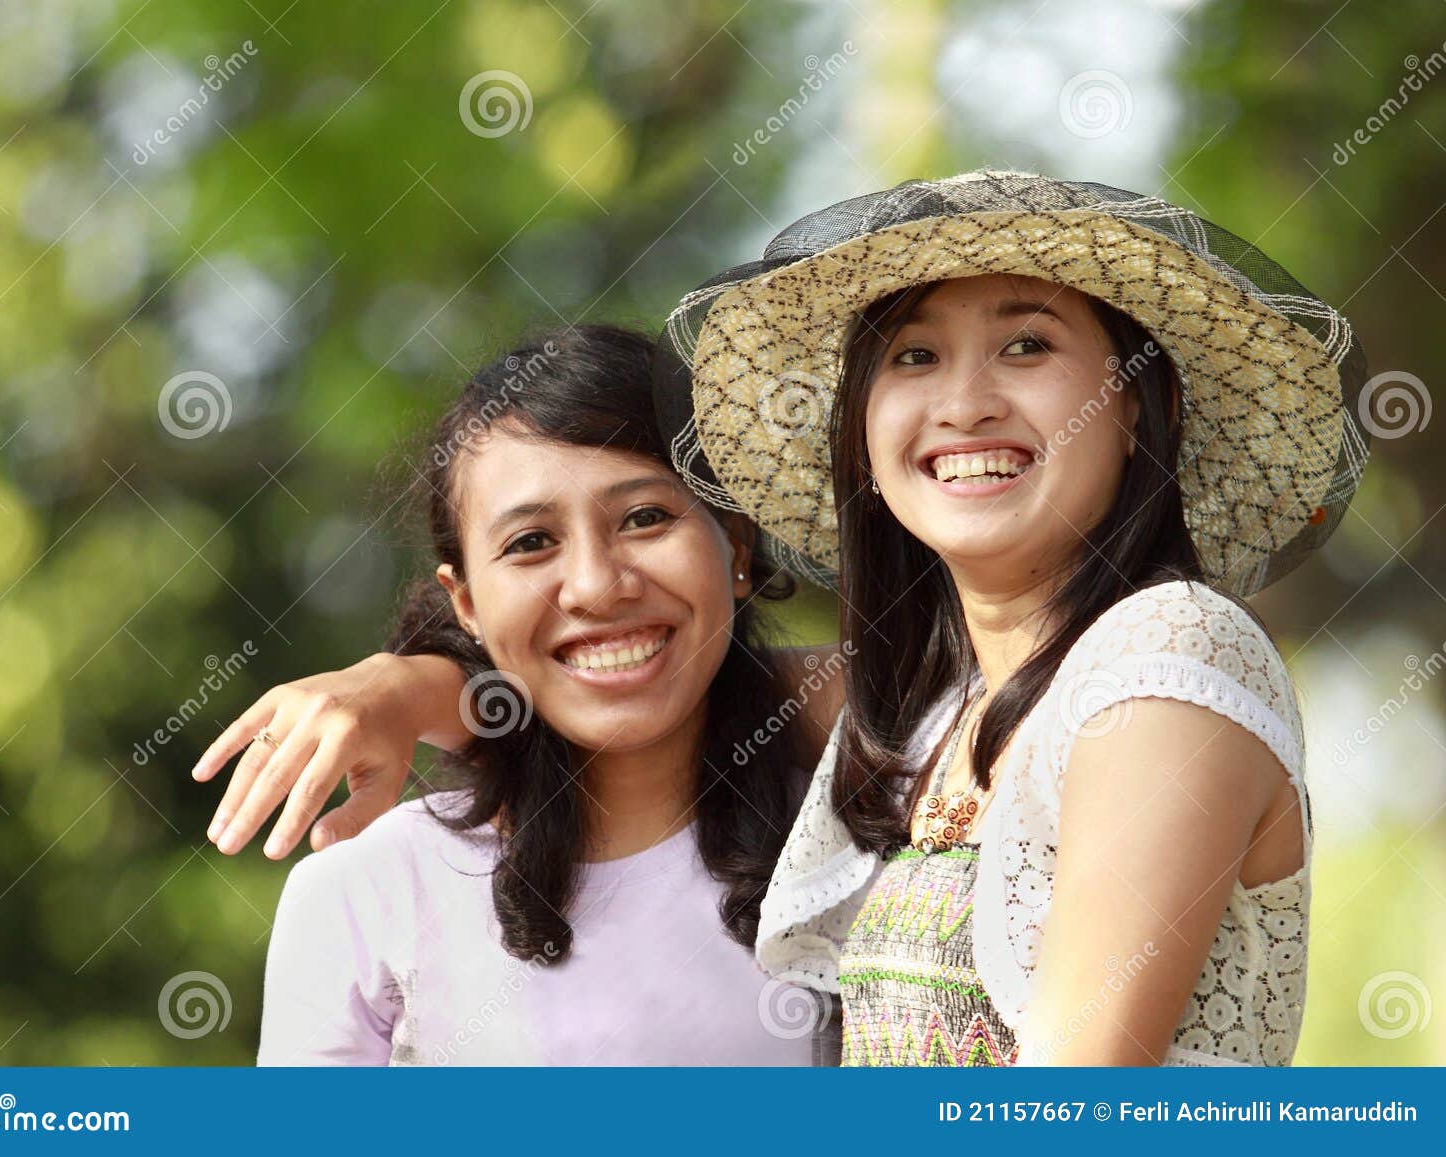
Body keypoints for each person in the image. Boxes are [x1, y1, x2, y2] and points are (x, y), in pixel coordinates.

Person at [658, 170, 1370, 1066]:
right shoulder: (933, 706)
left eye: (1026, 345)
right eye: (913, 356)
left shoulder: (1175, 653)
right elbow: (657, 685)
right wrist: (434, 688)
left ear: (1145, 406)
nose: (964, 404)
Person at [242, 324, 845, 1065]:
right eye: (530, 542)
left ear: (737, 547)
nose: (597, 585)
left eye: (646, 518)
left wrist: (417, 686)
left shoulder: (865, 825)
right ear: (464, 603)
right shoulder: (369, 890)